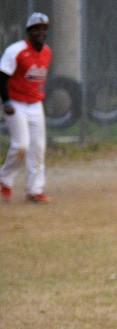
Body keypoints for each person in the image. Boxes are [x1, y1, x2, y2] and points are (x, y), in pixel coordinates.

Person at [1, 13, 52, 204]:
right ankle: (5, 178)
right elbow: (2, 77)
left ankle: (34, 190)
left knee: (38, 148)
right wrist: (6, 102)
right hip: (16, 104)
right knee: (21, 145)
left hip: (36, 104)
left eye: (44, 28)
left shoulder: (47, 52)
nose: (41, 32)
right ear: (29, 31)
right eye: (36, 28)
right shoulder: (16, 50)